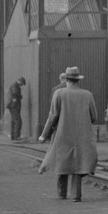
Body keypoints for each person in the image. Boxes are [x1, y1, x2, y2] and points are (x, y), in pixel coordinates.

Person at [38, 66, 98, 202]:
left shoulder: (59, 94)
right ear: (78, 80)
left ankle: (62, 193)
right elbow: (94, 117)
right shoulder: (87, 95)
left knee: (62, 161)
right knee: (79, 163)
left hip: (63, 133)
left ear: (66, 80)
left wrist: (44, 135)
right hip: (82, 134)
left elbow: (53, 116)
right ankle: (76, 196)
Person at [6, 76, 26, 141]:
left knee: (13, 120)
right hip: (14, 106)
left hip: (11, 105)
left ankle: (13, 136)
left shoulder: (13, 85)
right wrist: (20, 97)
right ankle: (16, 136)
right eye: (22, 84)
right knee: (18, 121)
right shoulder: (15, 86)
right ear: (20, 82)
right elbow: (15, 94)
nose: (22, 85)